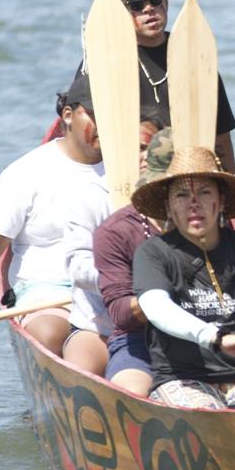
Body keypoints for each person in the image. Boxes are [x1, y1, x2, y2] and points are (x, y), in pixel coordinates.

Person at [0, 73, 105, 355]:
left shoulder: (131, 168)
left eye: (113, 115)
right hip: (47, 291)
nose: (105, 124)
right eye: (94, 114)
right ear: (68, 114)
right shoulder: (27, 172)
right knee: (51, 334)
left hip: (109, 287)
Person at [130, 147, 235, 408]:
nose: (193, 204)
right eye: (181, 195)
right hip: (183, 378)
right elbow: (157, 308)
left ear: (221, 202)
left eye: (204, 192)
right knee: (207, 413)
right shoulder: (153, 253)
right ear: (167, 206)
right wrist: (214, 337)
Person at [99, 0, 235, 173]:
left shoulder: (194, 58)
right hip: (132, 177)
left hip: (188, 175)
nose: (148, 9)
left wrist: (232, 191)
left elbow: (220, 133)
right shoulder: (109, 62)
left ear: (165, 5)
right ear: (121, 13)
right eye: (137, 4)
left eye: (154, 0)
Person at [62, 113, 163, 376]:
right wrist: (128, 284)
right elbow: (78, 267)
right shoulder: (92, 196)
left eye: (151, 149)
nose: (145, 157)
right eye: (138, 149)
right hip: (98, 326)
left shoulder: (175, 194)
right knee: (79, 374)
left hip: (163, 327)